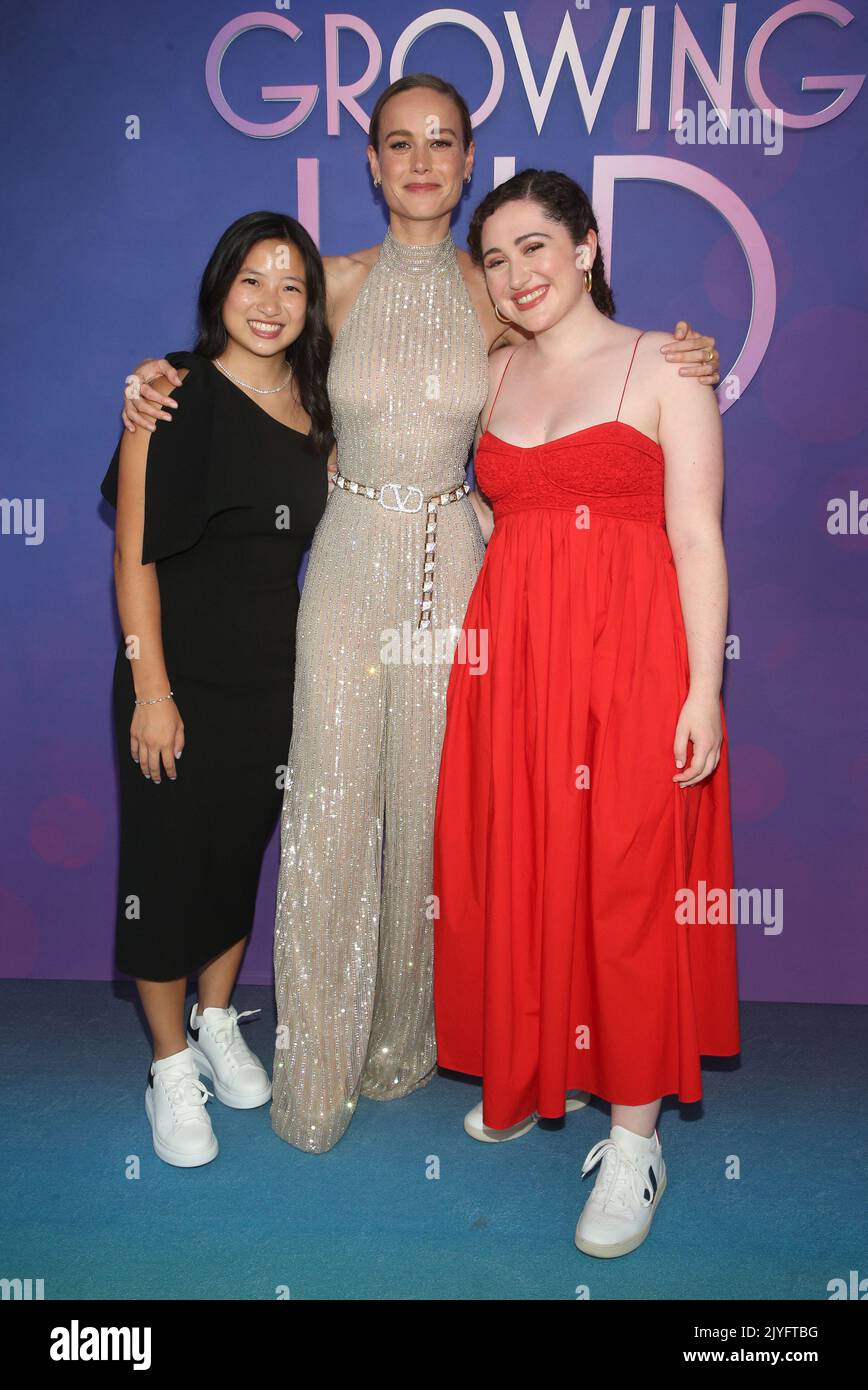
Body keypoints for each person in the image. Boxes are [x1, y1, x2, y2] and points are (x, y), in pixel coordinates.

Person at [117, 75, 721, 1155]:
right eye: (399, 143)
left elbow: (584, 361)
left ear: (469, 155)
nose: (421, 160)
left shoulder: (494, 287)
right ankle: (319, 1056)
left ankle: (416, 1038)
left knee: (451, 815)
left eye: (442, 141)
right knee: (334, 804)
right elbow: (247, 377)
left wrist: (689, 357)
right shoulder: (331, 285)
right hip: (350, 566)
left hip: (469, 567)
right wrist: (155, 385)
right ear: (370, 160)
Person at [432, 169, 740, 1257]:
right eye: (499, 257)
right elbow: (481, 502)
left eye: (536, 247)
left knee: (627, 879)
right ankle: (530, 1068)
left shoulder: (666, 361)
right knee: (521, 861)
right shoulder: (492, 372)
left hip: (633, 658)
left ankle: (634, 1137)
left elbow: (696, 532)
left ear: (588, 244)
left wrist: (701, 685)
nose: (519, 274)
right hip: (513, 661)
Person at [101, 212, 331, 1167]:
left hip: (273, 676)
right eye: (251, 280)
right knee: (165, 865)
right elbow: (132, 553)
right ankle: (166, 1064)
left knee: (239, 853)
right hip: (175, 671)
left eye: (291, 285)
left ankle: (217, 1018)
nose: (270, 302)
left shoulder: (320, 409)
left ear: (312, 305)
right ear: (219, 291)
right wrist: (151, 687)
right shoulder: (172, 392)